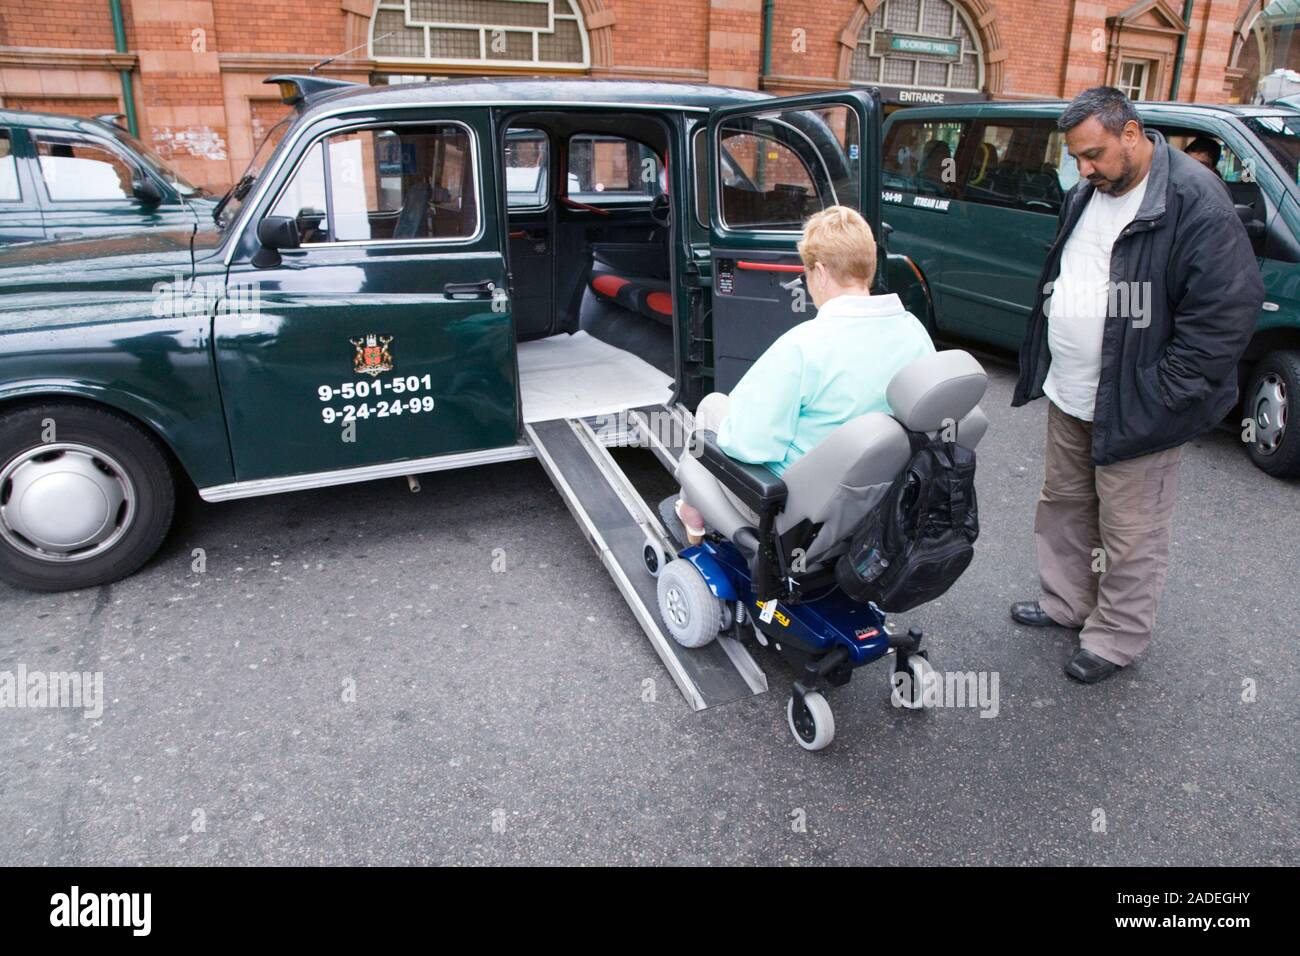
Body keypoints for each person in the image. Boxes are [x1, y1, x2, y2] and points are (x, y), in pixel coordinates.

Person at [1011, 87, 1263, 683]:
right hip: (1071, 390)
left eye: (1094, 154)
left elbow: (1228, 310)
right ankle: (1066, 602)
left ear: (1132, 133)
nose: (1084, 169)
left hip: (1139, 401)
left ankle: (1116, 637)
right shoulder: (1086, 193)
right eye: (1076, 158)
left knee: (1130, 530)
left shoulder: (1194, 200)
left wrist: (1163, 392)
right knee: (1065, 505)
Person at [676, 205, 934, 542]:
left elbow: (749, 446)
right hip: (880, 501)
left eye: (806, 272)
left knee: (712, 406)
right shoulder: (914, 332)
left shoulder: (803, 347)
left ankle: (692, 509)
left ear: (822, 273)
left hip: (798, 514)